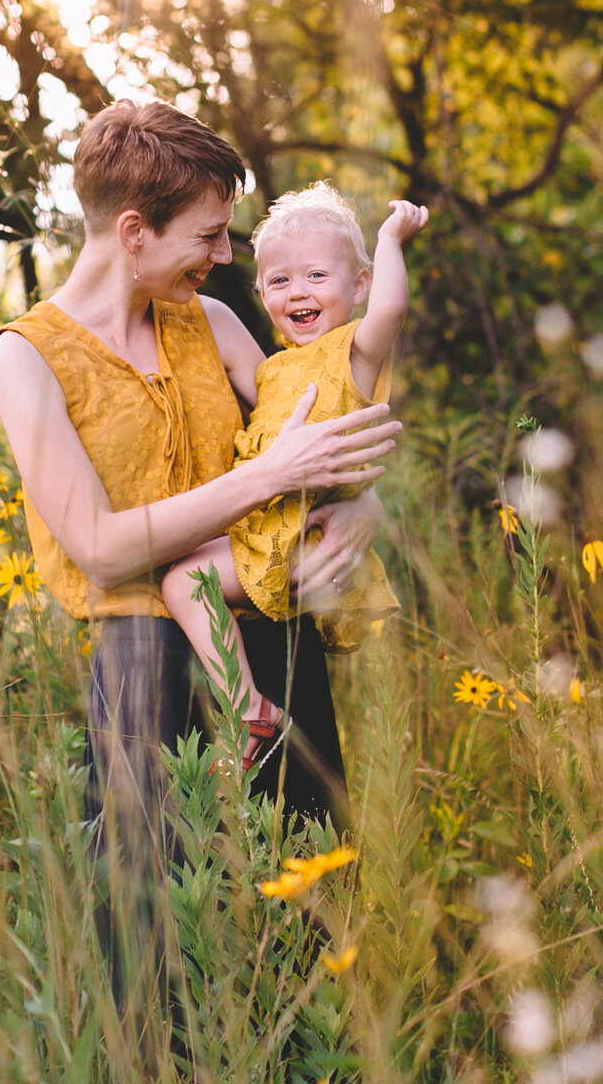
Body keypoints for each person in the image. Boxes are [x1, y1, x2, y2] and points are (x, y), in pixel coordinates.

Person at [0, 102, 400, 1022]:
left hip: (273, 638)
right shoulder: (25, 359)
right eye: (207, 234)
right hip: (141, 668)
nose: (221, 255)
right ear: (135, 230)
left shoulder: (209, 320)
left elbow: (314, 421)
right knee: (153, 937)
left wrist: (354, 493)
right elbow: (95, 543)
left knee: (310, 908)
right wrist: (273, 478)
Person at [156, 184, 427, 766]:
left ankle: (247, 707)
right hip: (271, 529)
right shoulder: (277, 370)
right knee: (187, 566)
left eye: (316, 277)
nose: (297, 291)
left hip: (297, 536)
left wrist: (390, 241)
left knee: (183, 583)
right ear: (261, 293)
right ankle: (249, 703)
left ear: (358, 285)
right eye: (280, 281)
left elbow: (392, 309)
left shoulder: (352, 354)